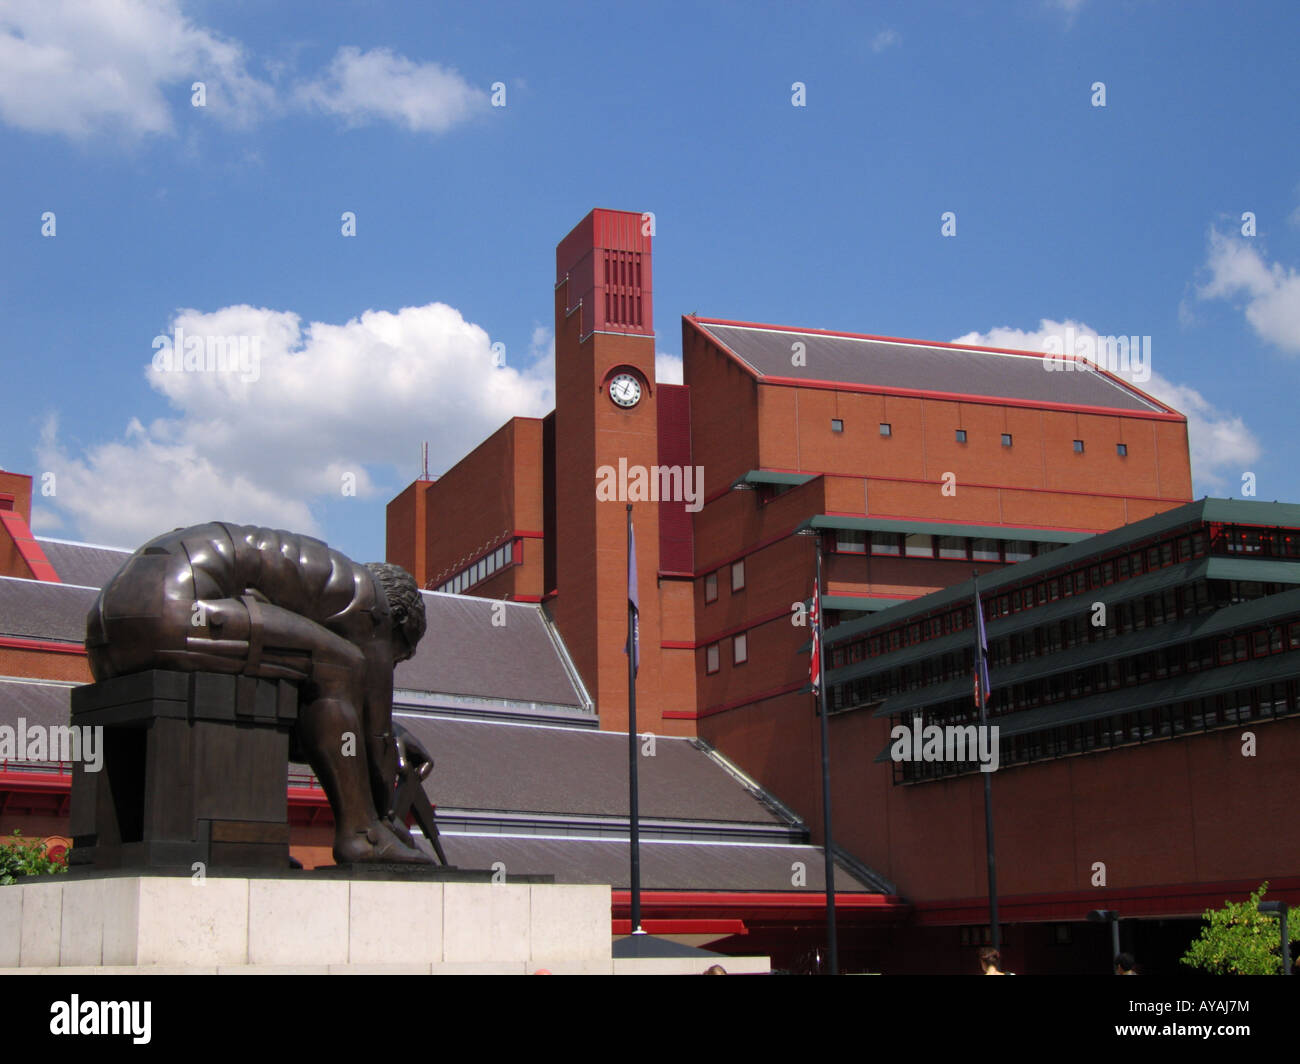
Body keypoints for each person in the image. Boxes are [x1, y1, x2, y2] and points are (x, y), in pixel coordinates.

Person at [86, 521, 430, 865]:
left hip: (107, 626)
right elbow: (374, 729)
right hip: (178, 612)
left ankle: (240, 848)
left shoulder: (328, 582)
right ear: (397, 624)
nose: (387, 664)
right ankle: (363, 836)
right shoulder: (374, 604)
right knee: (342, 666)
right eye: (396, 656)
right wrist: (387, 811)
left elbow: (314, 727)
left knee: (300, 676)